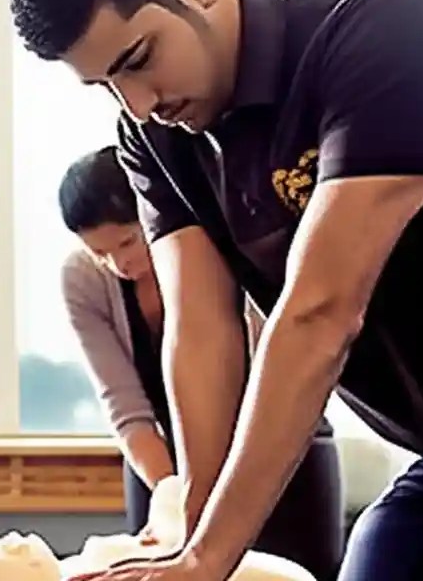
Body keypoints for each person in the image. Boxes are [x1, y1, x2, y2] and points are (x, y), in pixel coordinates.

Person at [10, 0, 423, 581]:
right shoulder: (157, 139)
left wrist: (209, 558)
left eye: (138, 60)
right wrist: (191, 541)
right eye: (106, 85)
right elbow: (201, 332)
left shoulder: (381, 29)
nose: (138, 106)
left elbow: (322, 312)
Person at [58, 147, 344, 580]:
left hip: (279, 435)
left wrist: (225, 510)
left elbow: (274, 370)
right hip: (163, 459)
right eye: (101, 253)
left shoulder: (217, 248)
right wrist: (172, 496)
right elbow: (123, 404)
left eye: (128, 242)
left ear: (152, 214)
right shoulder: (83, 279)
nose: (119, 264)